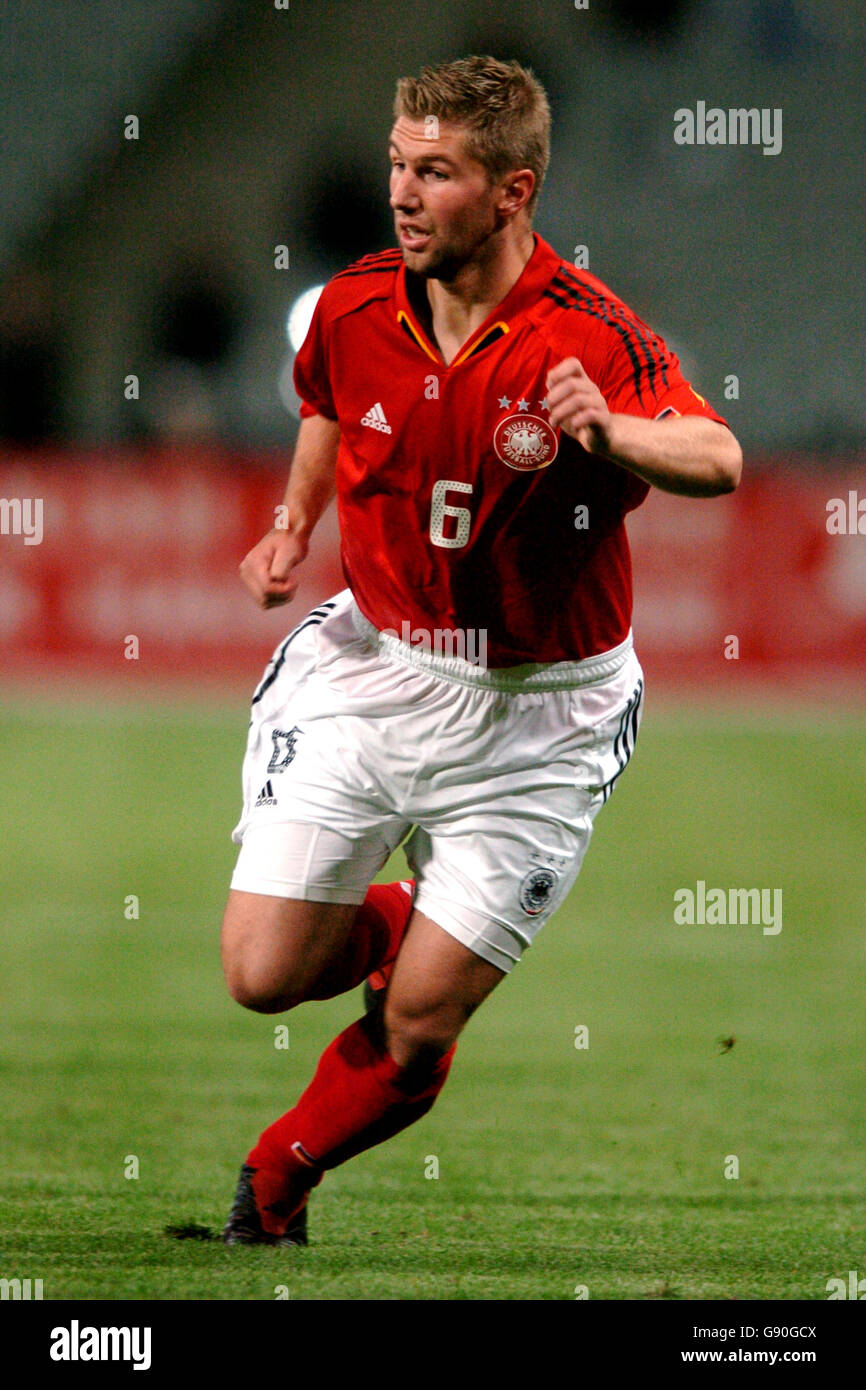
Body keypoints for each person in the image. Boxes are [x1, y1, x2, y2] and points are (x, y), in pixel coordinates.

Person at [221, 55, 742, 1246]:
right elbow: (324, 407)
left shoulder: (588, 334)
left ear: (511, 194)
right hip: (379, 668)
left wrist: (608, 431)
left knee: (415, 1026)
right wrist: (291, 528)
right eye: (398, 163)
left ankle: (275, 1181)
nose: (402, 193)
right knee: (258, 975)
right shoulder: (357, 303)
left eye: (435, 173)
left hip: (538, 713)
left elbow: (717, 460)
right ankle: (406, 921)